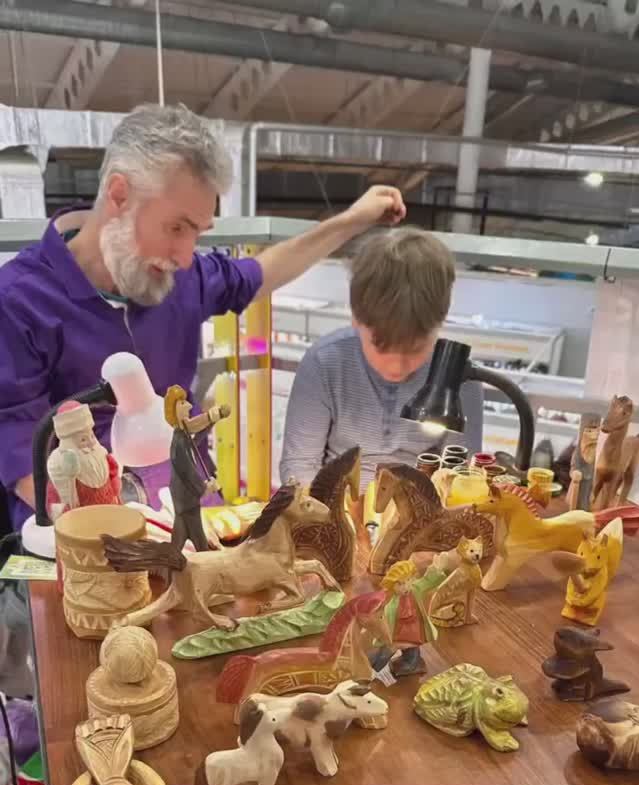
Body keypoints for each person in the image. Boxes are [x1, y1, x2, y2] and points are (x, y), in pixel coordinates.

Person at [0, 103, 407, 529]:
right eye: (176, 227)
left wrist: (352, 221)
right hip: (85, 526)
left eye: (197, 232)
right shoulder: (20, 302)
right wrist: (123, 528)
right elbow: (25, 462)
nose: (184, 255)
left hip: (190, 507)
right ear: (119, 195)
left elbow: (260, 274)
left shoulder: (179, 276)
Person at [279, 227, 483, 491]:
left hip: (422, 510)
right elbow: (300, 467)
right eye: (380, 346)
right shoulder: (325, 362)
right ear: (356, 317)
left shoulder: (460, 379)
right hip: (331, 506)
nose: (396, 368)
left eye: (414, 349)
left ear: (440, 322)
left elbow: (459, 480)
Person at [163, 383, 229, 553]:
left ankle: (175, 556)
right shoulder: (179, 443)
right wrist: (205, 488)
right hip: (186, 498)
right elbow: (188, 472)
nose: (189, 406)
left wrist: (212, 421)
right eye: (183, 403)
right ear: (175, 410)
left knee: (181, 535)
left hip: (183, 500)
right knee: (196, 536)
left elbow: (195, 437)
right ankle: (201, 555)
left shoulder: (183, 436)